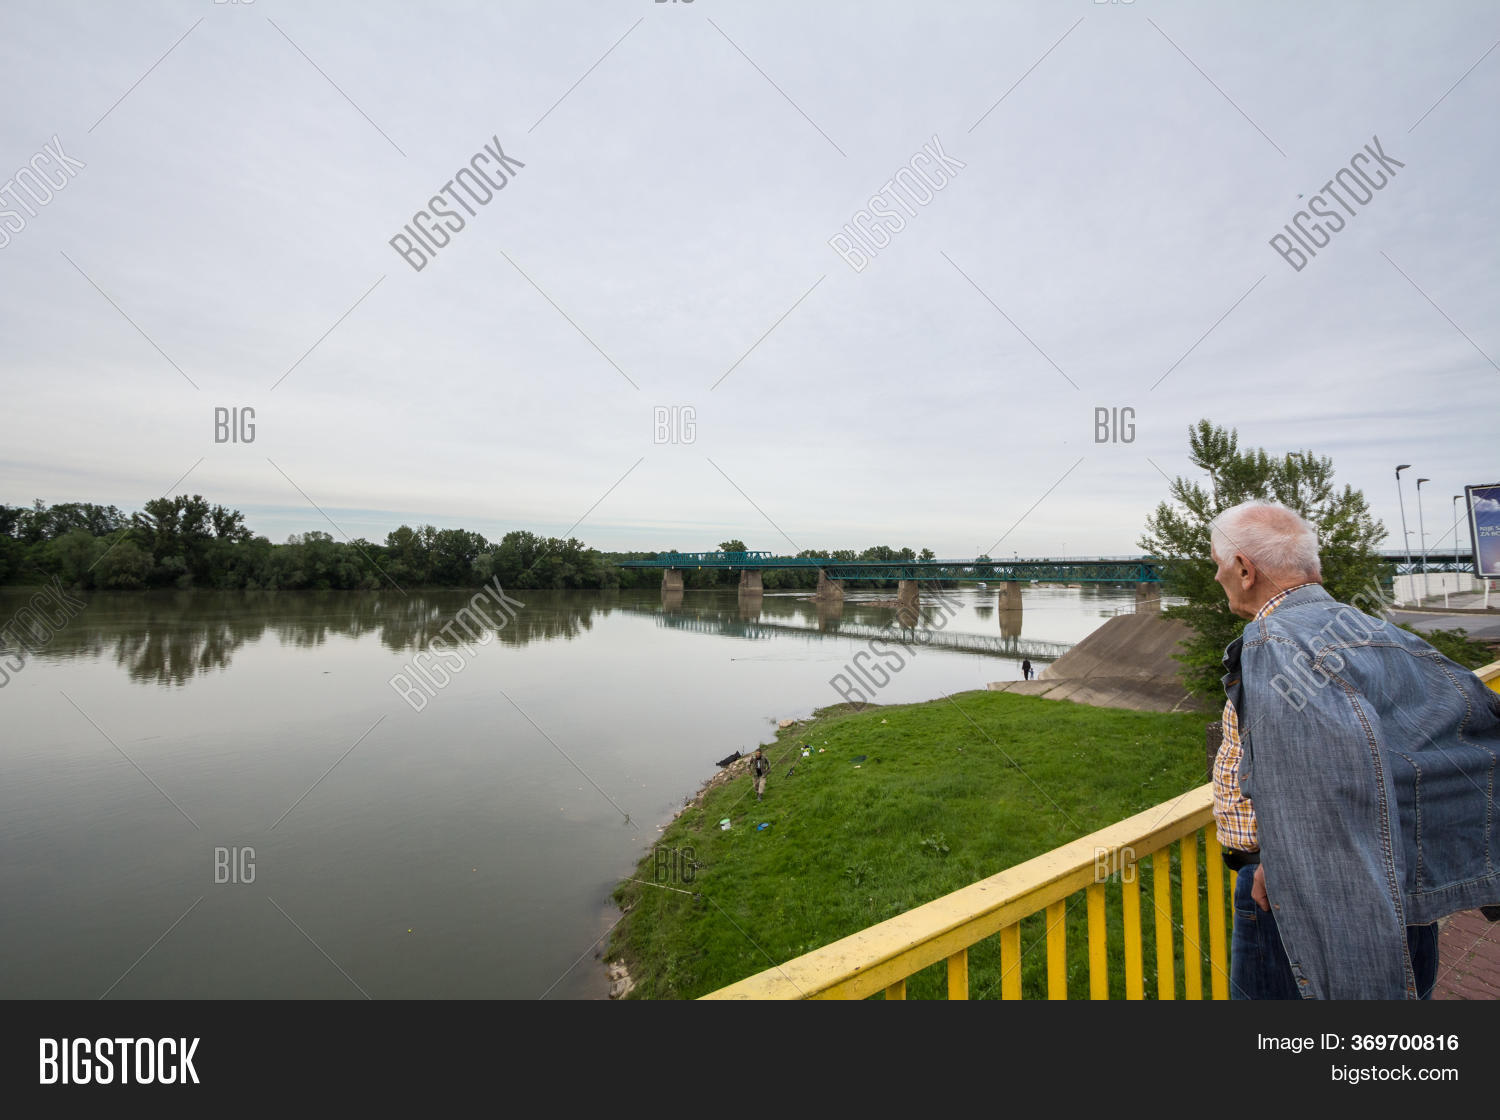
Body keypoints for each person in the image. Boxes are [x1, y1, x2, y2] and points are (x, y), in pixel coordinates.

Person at [1209, 498, 1500, 999]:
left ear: (1243, 568)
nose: (1216, 577)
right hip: (1393, 877)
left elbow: (1323, 778)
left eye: (1217, 564)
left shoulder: (1275, 641)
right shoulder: (1379, 633)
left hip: (1301, 890)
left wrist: (1286, 863)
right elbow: (1468, 737)